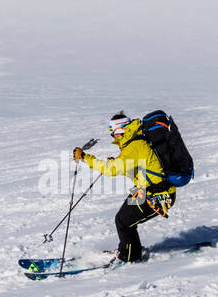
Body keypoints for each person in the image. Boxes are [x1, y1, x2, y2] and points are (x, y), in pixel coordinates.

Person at [74, 112, 176, 263]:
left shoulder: (135, 145)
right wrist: (117, 161)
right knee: (124, 220)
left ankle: (129, 256)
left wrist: (85, 158)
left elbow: (112, 169)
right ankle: (129, 250)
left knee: (123, 221)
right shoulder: (134, 142)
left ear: (120, 130)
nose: (112, 136)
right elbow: (132, 164)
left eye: (112, 132)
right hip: (148, 191)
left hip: (158, 195)